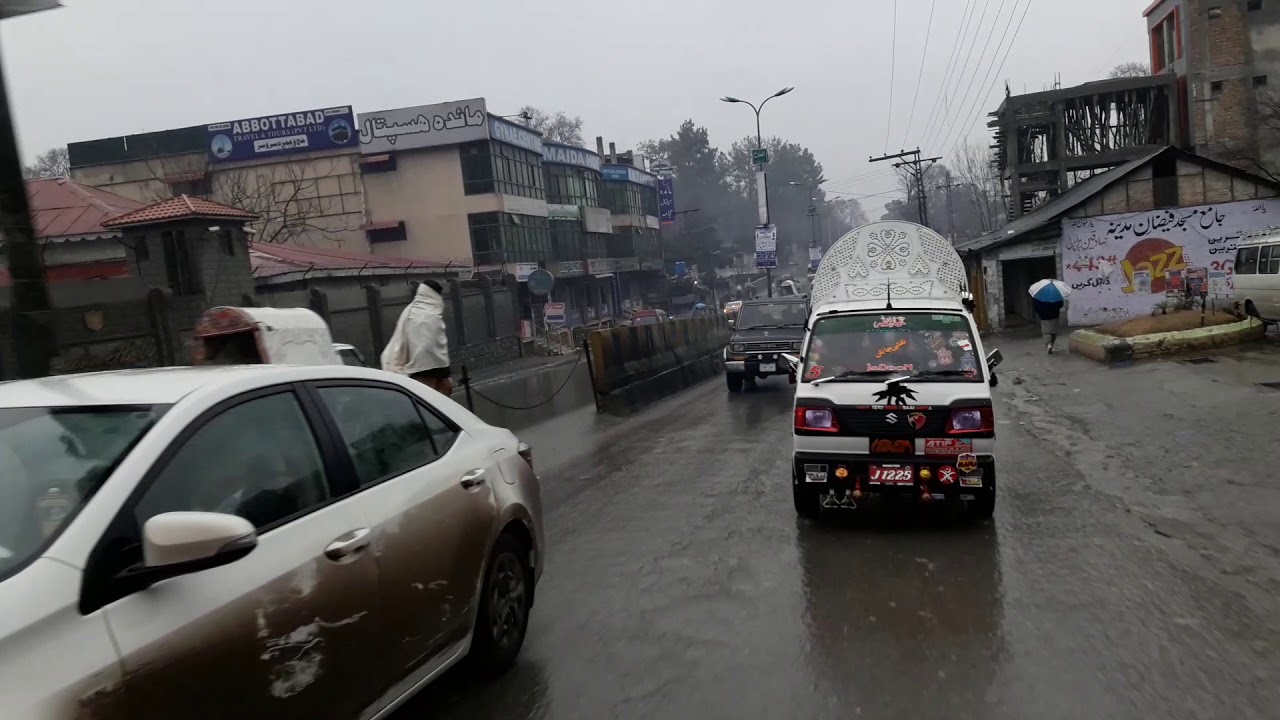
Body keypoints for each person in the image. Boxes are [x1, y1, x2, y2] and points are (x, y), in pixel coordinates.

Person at [381, 280, 454, 396]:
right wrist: (444, 372)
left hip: (416, 367)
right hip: (426, 369)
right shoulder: (430, 314)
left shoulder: (410, 311)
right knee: (431, 399)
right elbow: (431, 348)